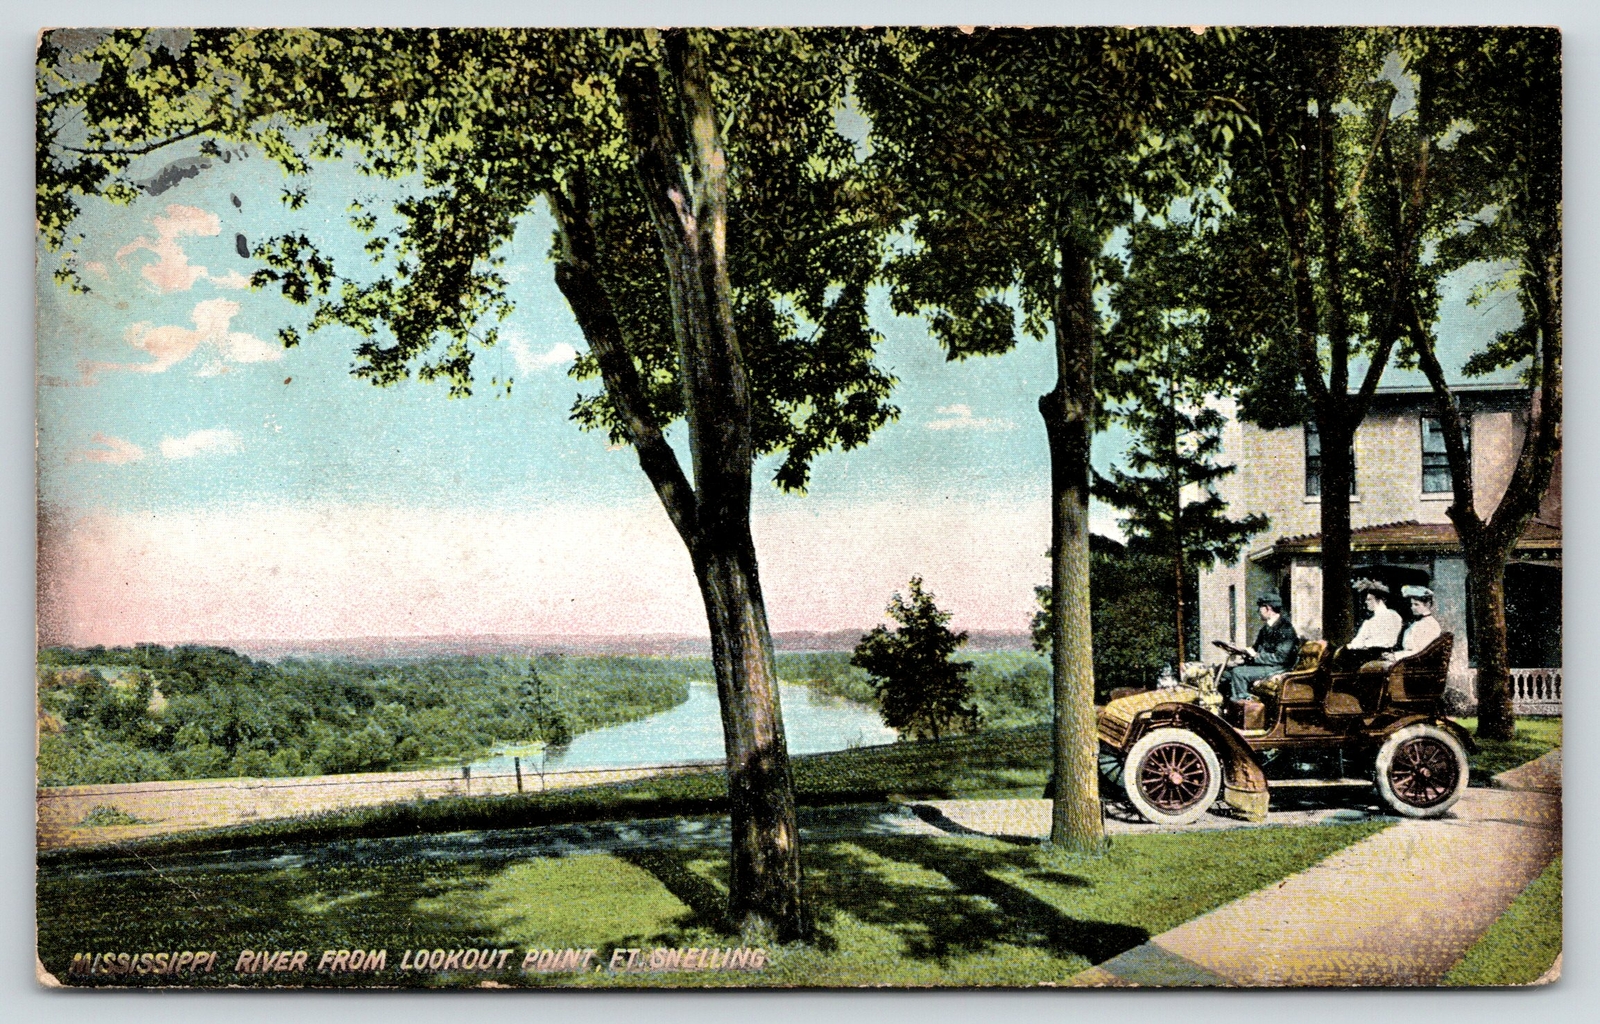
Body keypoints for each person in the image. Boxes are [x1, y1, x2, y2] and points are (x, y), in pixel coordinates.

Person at [1218, 592, 1300, 704]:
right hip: (1266, 665)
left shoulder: (1286, 629)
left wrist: (1256, 656)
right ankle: (1225, 706)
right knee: (1226, 672)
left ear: (1267, 608)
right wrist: (1243, 652)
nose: (1258, 611)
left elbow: (1281, 658)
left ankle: (1245, 708)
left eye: (1260, 608)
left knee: (1239, 673)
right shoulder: (1266, 629)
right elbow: (1255, 648)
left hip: (1278, 667)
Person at [1333, 579, 1404, 670]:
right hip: (1386, 651)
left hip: (1372, 654)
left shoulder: (1372, 622)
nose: (1366, 602)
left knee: (1342, 655)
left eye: (1369, 599)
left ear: (1380, 600)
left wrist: (1346, 648)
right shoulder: (1395, 615)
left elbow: (1358, 643)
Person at [1385, 585, 1442, 663]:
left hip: (1417, 664)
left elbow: (1420, 652)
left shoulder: (1430, 624)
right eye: (1412, 604)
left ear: (1428, 604)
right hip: (1409, 661)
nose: (1412, 607)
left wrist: (1395, 656)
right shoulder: (1417, 623)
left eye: (1416, 604)